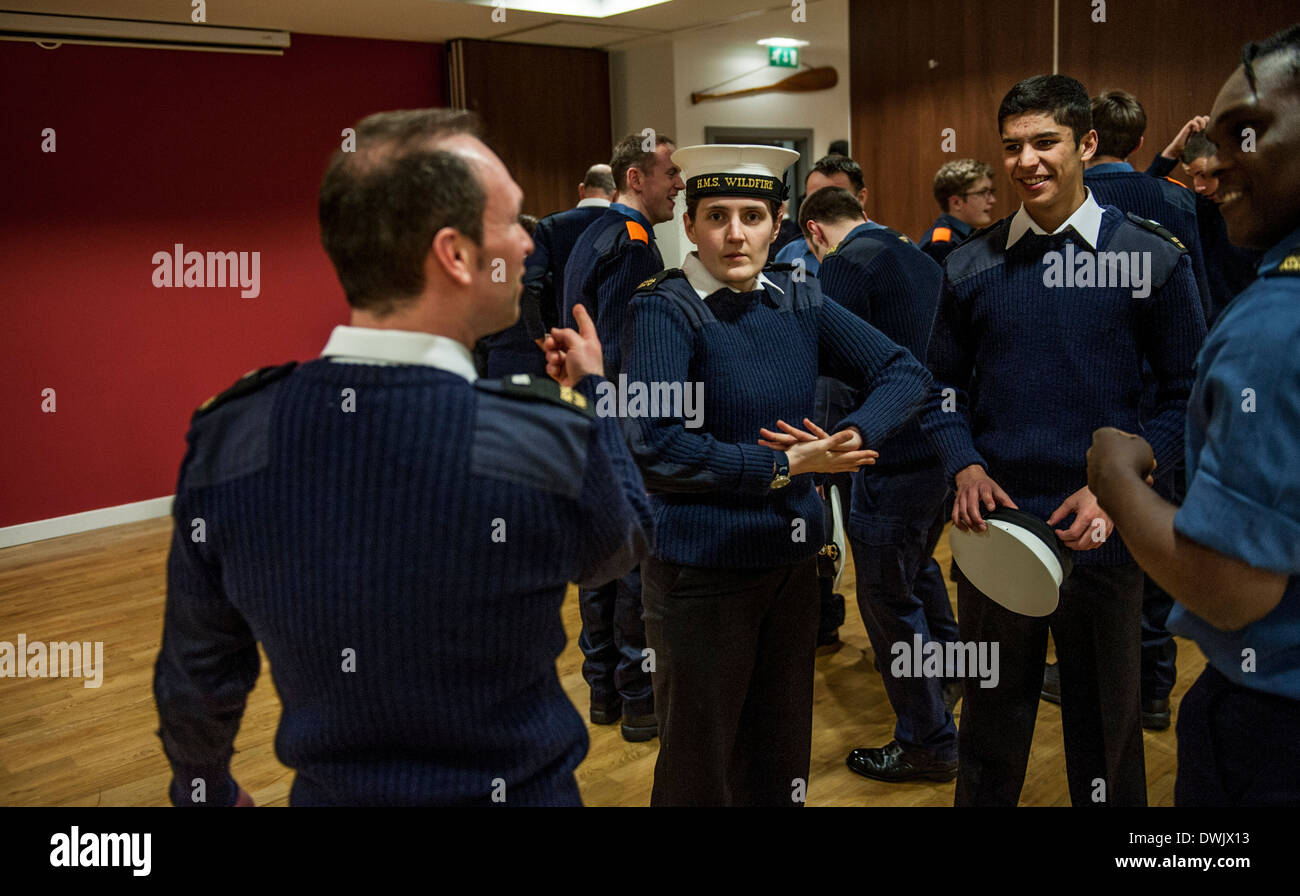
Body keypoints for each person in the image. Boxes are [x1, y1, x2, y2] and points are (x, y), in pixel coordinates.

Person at [152, 108, 652, 807]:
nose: (531, 246)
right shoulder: (539, 436)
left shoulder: (232, 433)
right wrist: (596, 394)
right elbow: (620, 543)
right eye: (512, 223)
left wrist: (202, 790)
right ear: (454, 254)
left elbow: (196, 671)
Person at [921, 74, 1205, 807]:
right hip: (996, 527)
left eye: (1045, 142)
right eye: (1013, 146)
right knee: (988, 722)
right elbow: (939, 388)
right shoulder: (970, 265)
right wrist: (964, 464)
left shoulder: (1153, 257)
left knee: (1106, 730)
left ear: (1085, 144)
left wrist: (1121, 485)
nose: (1027, 161)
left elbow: (1185, 397)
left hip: (1104, 535)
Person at [620, 144, 933, 805]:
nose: (736, 234)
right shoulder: (663, 308)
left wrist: (853, 435)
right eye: (717, 215)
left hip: (791, 565)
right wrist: (783, 464)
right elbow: (652, 445)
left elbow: (905, 372)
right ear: (690, 223)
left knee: (779, 750)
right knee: (699, 763)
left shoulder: (797, 297)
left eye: (754, 216)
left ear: (780, 221)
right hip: (701, 571)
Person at [1086, 23, 1300, 808]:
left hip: (1271, 729)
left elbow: (1231, 590)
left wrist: (1117, 481)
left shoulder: (1272, 330)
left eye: (1250, 131)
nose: (1219, 162)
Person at [799, 186, 961, 782]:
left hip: (887, 449)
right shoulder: (917, 253)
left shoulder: (844, 263)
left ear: (814, 232)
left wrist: (821, 450)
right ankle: (948, 672)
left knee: (886, 599)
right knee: (917, 570)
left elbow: (830, 367)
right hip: (941, 444)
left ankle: (928, 740)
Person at [560, 132, 684, 741]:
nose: (680, 185)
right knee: (633, 563)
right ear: (636, 179)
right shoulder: (634, 246)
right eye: (671, 173)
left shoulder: (589, 233)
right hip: (619, 420)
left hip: (587, 417)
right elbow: (625, 350)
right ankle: (641, 702)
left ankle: (606, 694)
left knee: (599, 566)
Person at [774, 154, 870, 277]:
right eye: (813, 199)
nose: (822, 209)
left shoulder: (890, 247)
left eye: (834, 200)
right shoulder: (791, 254)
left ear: (860, 198)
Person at [919, 159, 998, 265]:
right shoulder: (942, 244)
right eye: (983, 192)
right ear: (956, 203)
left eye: (990, 192)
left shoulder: (968, 236)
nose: (992, 200)